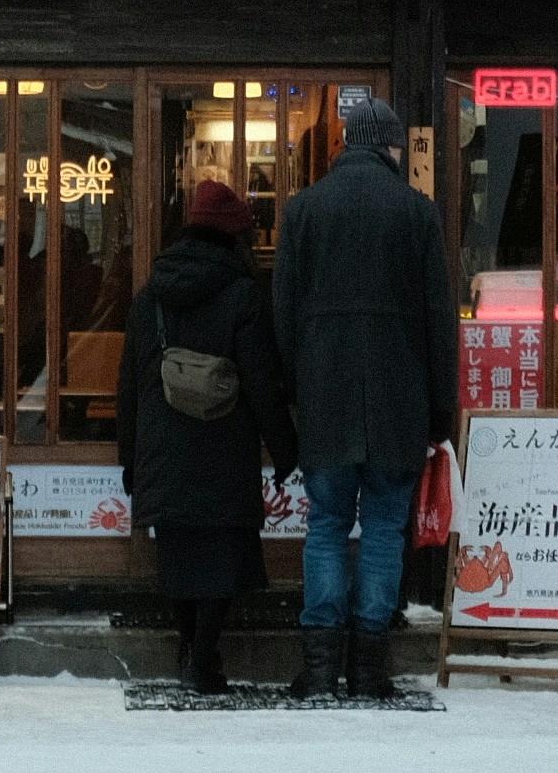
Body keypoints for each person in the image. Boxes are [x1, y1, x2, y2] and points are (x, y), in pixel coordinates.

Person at [270, 97, 455, 699]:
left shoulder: (304, 212)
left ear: (348, 144)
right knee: (381, 529)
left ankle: (321, 665)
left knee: (325, 525)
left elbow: (284, 318)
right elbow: (438, 324)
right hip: (399, 402)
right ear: (388, 146)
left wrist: (291, 398)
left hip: (324, 400)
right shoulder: (417, 214)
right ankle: (370, 669)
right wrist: (440, 413)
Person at [121, 176, 291, 696]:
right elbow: (262, 380)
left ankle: (189, 644)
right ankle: (204, 655)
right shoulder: (242, 294)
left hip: (164, 448)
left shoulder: (152, 295)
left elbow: (129, 381)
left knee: (178, 553)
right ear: (233, 236)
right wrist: (284, 449)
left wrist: (130, 456)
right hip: (224, 446)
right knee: (223, 554)